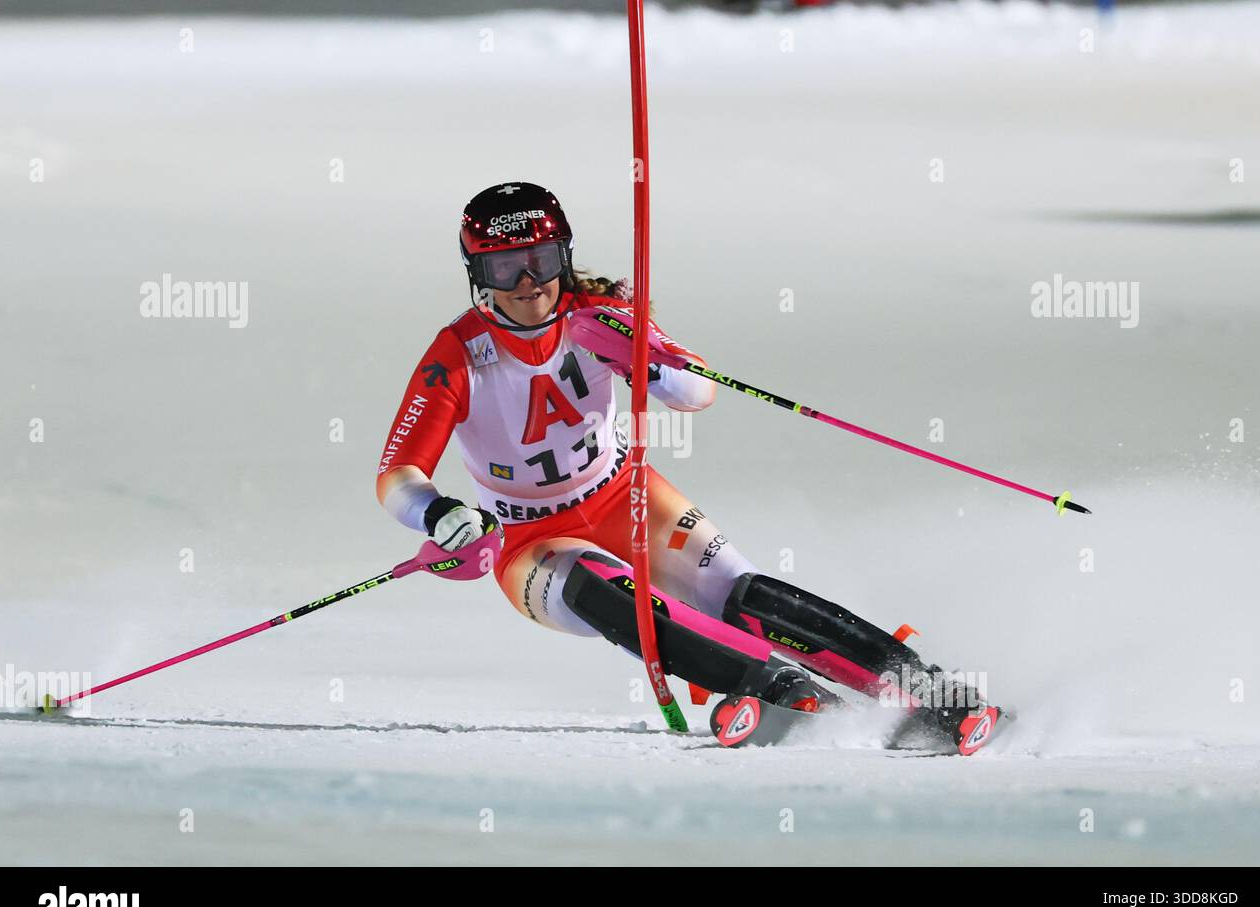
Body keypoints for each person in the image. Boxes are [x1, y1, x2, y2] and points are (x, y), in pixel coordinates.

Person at [376, 182, 1000, 753]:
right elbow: (397, 475)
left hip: (624, 495)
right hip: (530, 539)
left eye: (541, 259)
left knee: (742, 593)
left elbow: (698, 392)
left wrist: (646, 360)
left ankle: (932, 693)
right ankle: (777, 688)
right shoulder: (457, 355)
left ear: (563, 255)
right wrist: (439, 513)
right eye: (503, 267)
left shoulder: (598, 313)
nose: (527, 282)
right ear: (476, 273)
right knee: (602, 587)